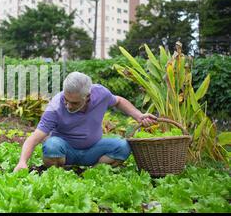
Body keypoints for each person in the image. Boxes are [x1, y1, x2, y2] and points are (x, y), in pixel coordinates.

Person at [13, 72, 157, 172]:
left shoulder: (101, 93)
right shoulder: (55, 106)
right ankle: (60, 173)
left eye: (74, 103)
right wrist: (22, 162)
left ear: (87, 97)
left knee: (122, 146)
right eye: (66, 100)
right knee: (51, 146)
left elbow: (118, 100)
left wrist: (138, 115)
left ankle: (91, 173)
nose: (68, 106)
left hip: (92, 150)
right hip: (65, 152)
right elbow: (34, 138)